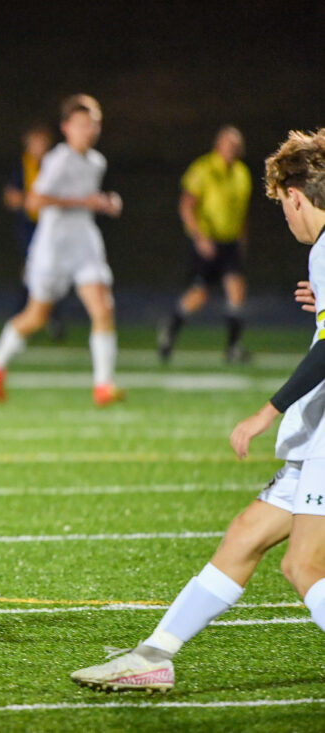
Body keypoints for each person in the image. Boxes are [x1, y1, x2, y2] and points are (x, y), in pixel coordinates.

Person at [70, 128, 325, 693]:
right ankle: (155, 656)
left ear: (298, 198)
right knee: (244, 536)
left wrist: (266, 411)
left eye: (283, 204)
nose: (284, 217)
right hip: (314, 439)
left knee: (304, 566)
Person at [0, 94, 123, 406]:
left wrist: (104, 202)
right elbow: (34, 201)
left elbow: (87, 198)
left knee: (103, 309)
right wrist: (85, 202)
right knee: (35, 318)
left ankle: (103, 386)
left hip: (84, 245)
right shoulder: (58, 160)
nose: (90, 130)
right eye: (83, 124)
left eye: (94, 124)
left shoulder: (97, 162)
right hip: (52, 249)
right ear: (67, 127)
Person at [157, 126, 252, 364]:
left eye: (235, 145)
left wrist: (242, 240)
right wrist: (199, 237)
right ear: (217, 145)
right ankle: (170, 328)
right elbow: (186, 205)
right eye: (227, 144)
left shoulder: (242, 174)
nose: (231, 149)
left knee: (236, 291)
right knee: (199, 294)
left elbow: (240, 213)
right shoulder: (203, 168)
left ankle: (232, 347)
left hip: (229, 242)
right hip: (207, 241)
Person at [2, 123, 63, 340]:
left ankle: (43, 316)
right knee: (33, 271)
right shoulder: (21, 167)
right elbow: (10, 197)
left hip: (53, 227)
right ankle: (35, 316)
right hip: (28, 228)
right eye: (34, 141)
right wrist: (30, 201)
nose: (38, 146)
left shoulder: (54, 165)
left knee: (47, 272)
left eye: (42, 142)